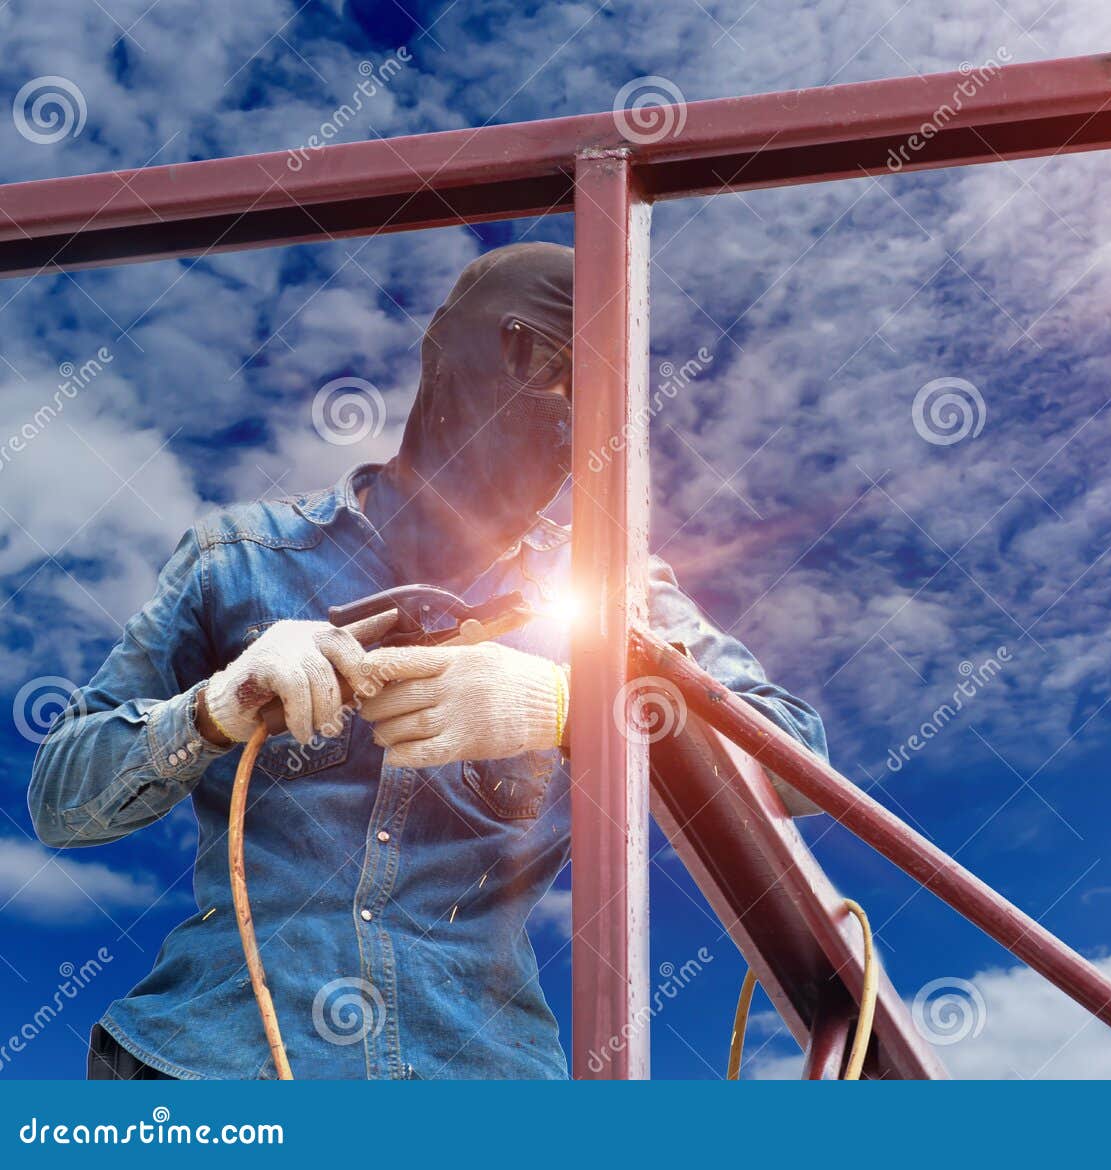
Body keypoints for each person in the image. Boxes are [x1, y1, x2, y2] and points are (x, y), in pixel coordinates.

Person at [28, 242, 827, 1080]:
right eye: (539, 369)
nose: (555, 413)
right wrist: (215, 707)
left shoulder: (612, 597)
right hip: (211, 1070)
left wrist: (569, 708)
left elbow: (797, 762)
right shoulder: (239, 560)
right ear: (453, 360)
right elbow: (62, 803)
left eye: (585, 398)